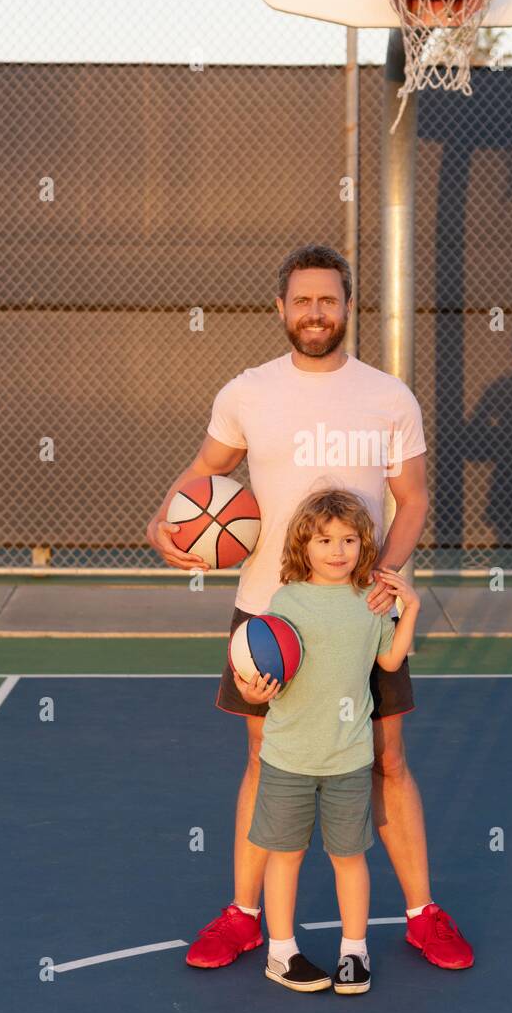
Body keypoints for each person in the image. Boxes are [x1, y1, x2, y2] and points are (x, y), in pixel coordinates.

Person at [146, 243, 473, 970]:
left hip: (365, 613)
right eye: (303, 301)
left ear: (348, 307)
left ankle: (422, 913)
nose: (316, 313)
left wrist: (383, 576)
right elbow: (206, 471)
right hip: (270, 617)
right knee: (267, 761)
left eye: (329, 300)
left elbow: (413, 498)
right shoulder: (247, 392)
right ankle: (243, 914)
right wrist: (159, 518)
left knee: (388, 759)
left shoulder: (389, 396)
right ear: (281, 309)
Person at [233, 488, 418, 994]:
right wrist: (251, 687)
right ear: (303, 545)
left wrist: (412, 607)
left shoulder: (371, 602)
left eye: (349, 540)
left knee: (349, 858)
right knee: (285, 855)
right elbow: (262, 665)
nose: (337, 550)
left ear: (364, 545)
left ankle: (353, 952)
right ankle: (280, 952)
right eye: (324, 540)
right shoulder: (286, 600)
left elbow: (390, 662)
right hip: (288, 756)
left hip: (348, 758)